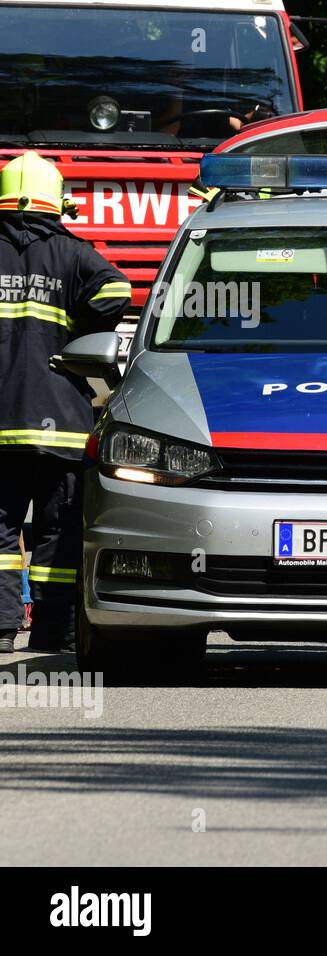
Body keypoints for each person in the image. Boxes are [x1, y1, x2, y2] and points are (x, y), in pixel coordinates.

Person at [0, 151, 131, 654]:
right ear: (59, 203)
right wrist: (77, 329)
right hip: (60, 427)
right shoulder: (73, 253)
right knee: (59, 534)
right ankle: (53, 631)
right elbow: (117, 290)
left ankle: (2, 629)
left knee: (1, 535)